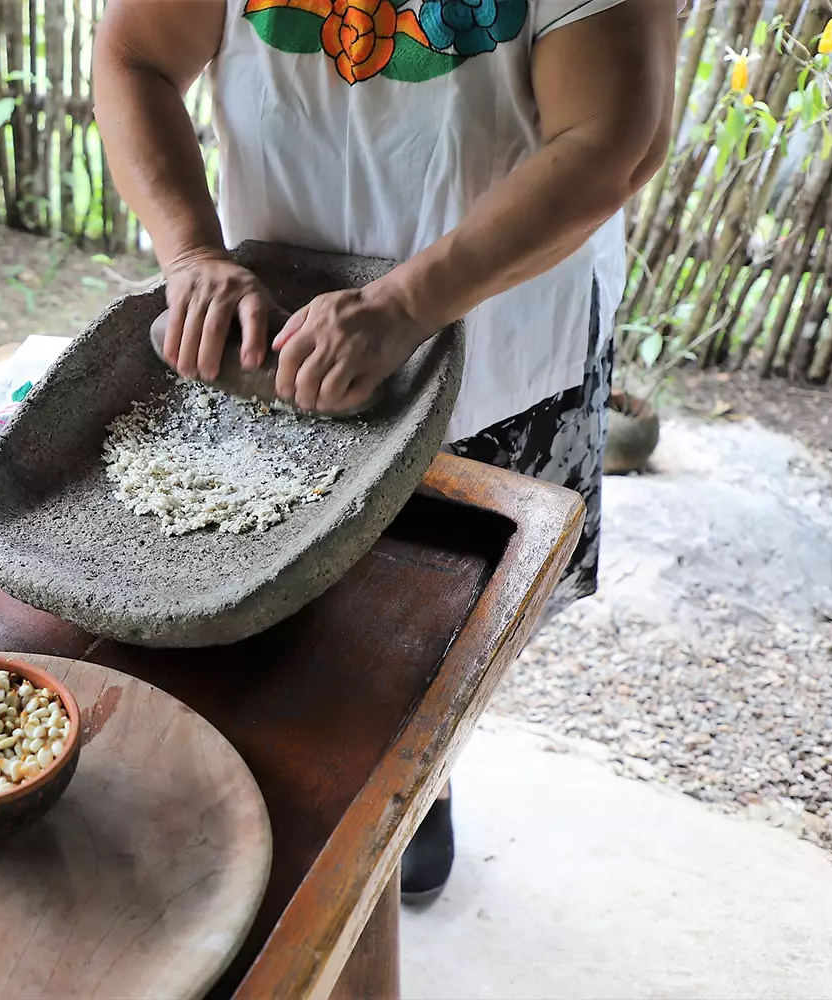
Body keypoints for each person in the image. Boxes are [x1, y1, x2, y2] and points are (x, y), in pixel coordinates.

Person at [94, 0, 677, 900]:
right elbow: (135, 57)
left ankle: (424, 775)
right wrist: (192, 255)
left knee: (440, 624)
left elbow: (611, 137)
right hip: (279, 324)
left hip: (500, 326)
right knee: (287, 600)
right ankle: (315, 780)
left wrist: (407, 305)